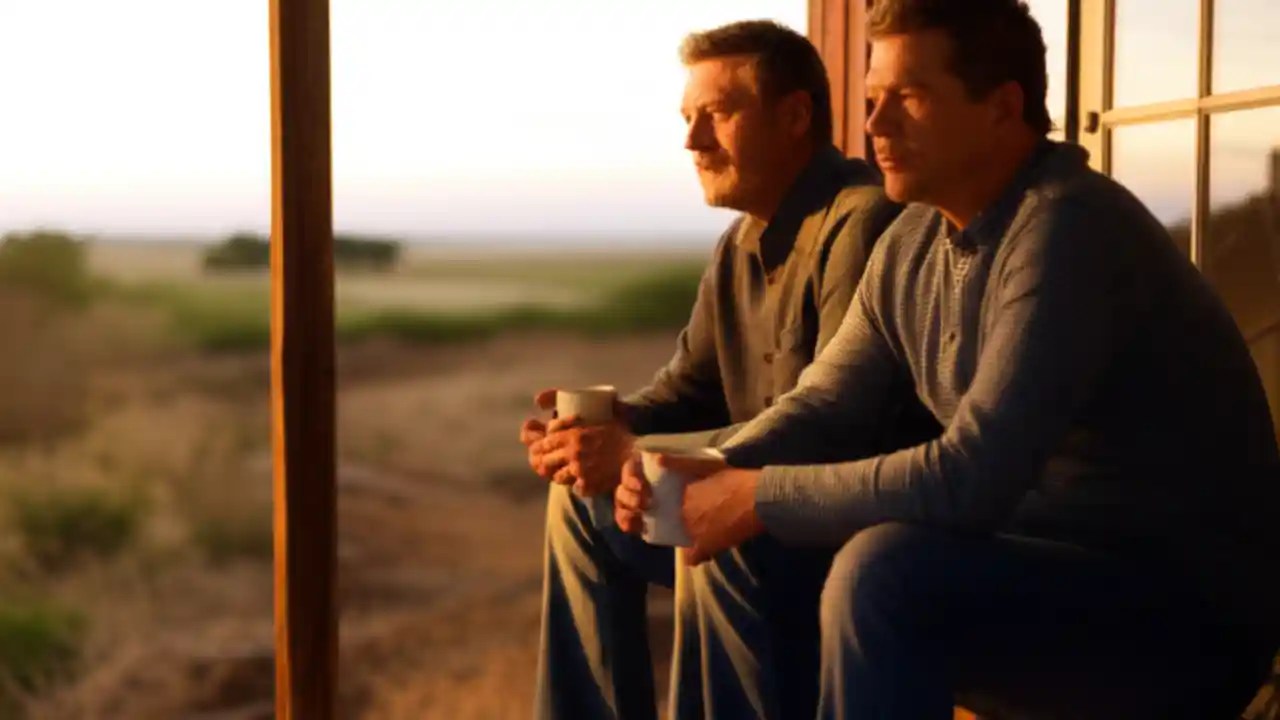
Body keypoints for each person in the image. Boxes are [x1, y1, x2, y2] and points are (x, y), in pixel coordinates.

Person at [615, 1, 1280, 718]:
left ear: (1002, 108)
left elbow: (969, 478)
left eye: (909, 98)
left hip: (1177, 619)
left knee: (885, 573)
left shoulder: (1068, 228)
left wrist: (753, 493)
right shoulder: (913, 243)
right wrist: (716, 472)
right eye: (872, 101)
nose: (875, 127)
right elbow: (825, 403)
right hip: (1031, 568)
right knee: (744, 544)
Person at [519, 19, 934, 720]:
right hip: (754, 496)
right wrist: (612, 428)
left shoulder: (862, 222)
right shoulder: (737, 246)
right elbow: (688, 391)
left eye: (716, 114)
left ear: (796, 115)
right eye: (687, 119)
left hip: (837, 521)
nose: (692, 141)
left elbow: (838, 426)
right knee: (582, 503)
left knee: (702, 519)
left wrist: (641, 455)